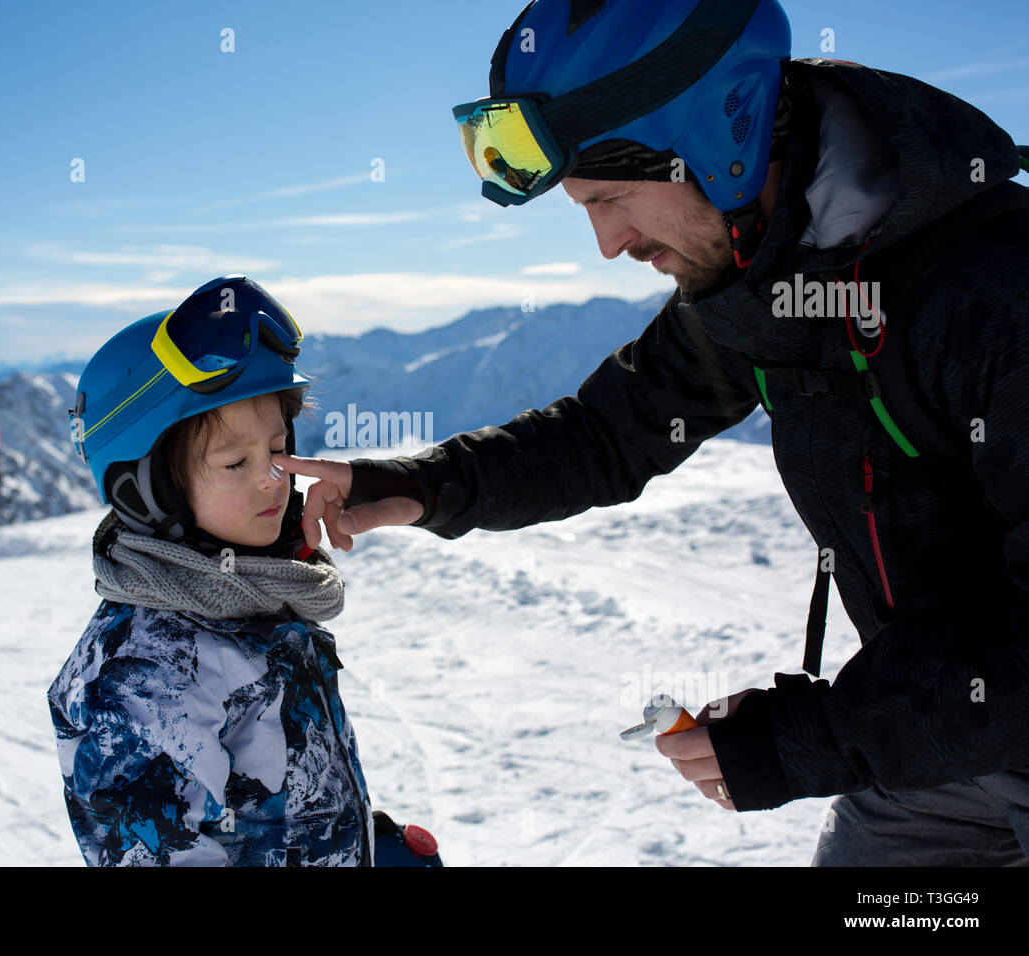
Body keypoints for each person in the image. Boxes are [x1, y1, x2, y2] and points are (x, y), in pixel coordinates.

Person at [273, 0, 1029, 865]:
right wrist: (414, 486)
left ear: (722, 137)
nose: (606, 242)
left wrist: (807, 737)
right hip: (931, 740)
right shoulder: (766, 279)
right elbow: (606, 435)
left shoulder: (997, 295)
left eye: (612, 197)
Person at [46, 275, 379, 866]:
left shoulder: (259, 597)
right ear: (147, 493)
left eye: (278, 448)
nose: (272, 477)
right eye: (235, 462)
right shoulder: (142, 674)